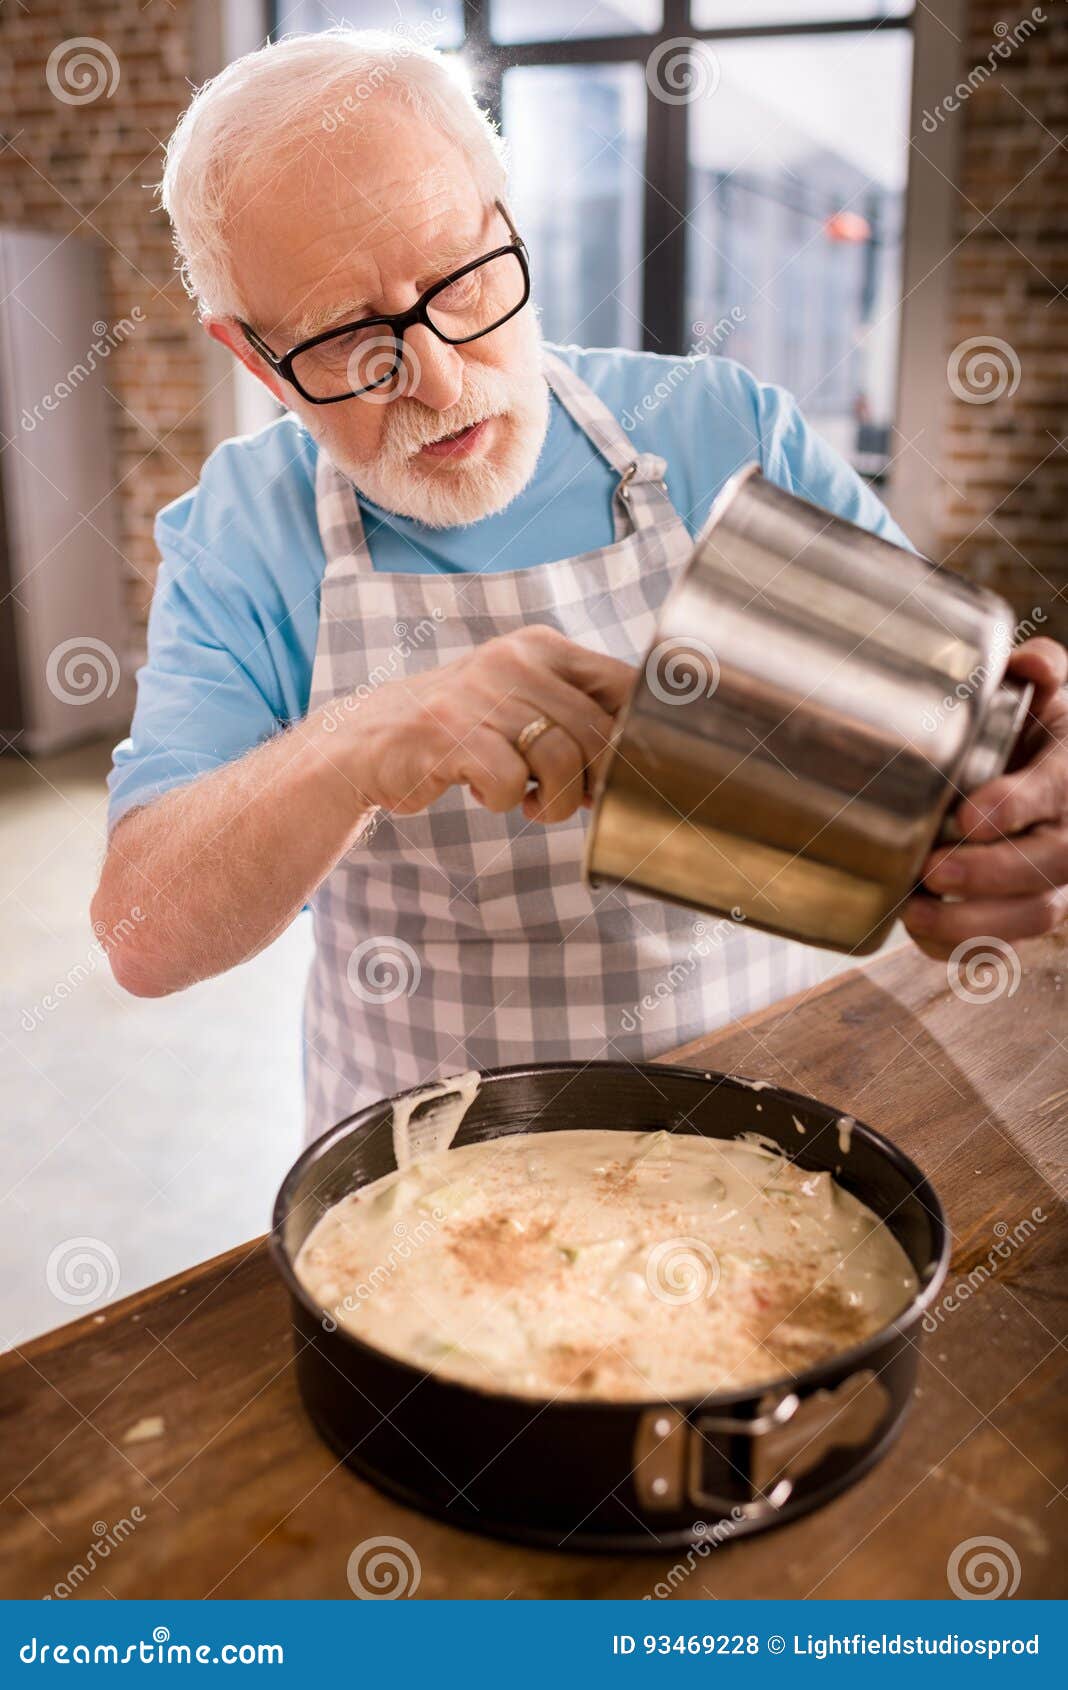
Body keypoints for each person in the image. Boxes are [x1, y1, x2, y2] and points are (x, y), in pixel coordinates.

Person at [92, 30, 1068, 1139]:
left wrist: (1019, 792)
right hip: (447, 1187)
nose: (440, 378)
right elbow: (143, 935)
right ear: (253, 355)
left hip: (781, 1135)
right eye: (350, 339)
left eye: (462, 283)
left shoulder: (723, 432)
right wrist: (358, 738)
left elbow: (955, 741)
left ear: (512, 222)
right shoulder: (243, 532)